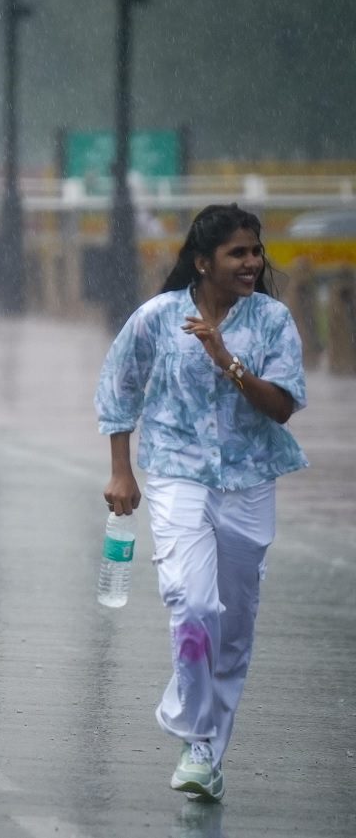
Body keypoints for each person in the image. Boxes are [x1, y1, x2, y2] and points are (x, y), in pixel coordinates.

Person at [95, 203, 308, 801]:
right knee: (192, 603)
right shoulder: (158, 318)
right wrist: (121, 471)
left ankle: (209, 751)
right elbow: (118, 387)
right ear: (203, 261)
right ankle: (195, 737)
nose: (250, 262)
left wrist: (227, 360)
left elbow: (282, 407)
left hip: (249, 481)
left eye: (255, 251)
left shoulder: (272, 321)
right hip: (176, 474)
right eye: (237, 252)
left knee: (233, 625)